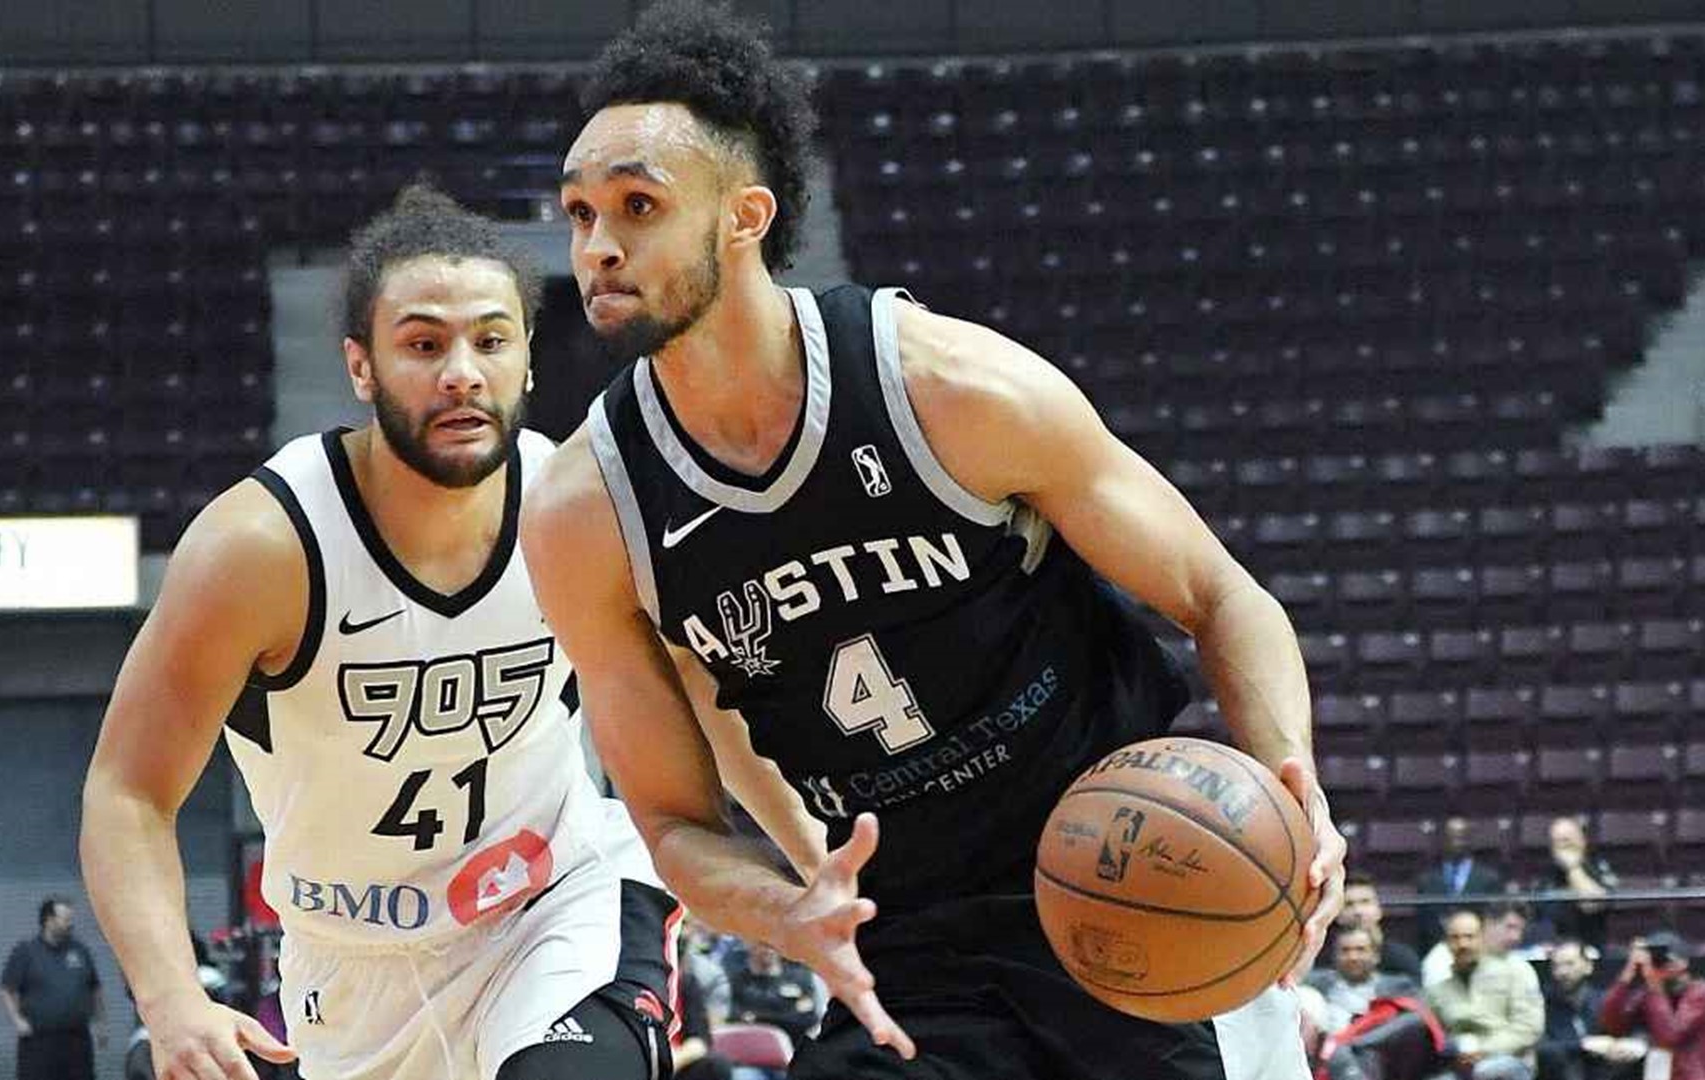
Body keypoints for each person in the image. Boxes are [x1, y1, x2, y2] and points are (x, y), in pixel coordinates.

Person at [519, 3, 1347, 1078]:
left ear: (745, 216)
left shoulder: (946, 388)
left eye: (638, 205)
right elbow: (676, 826)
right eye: (580, 213)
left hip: (1140, 885)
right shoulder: (589, 510)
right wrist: (790, 909)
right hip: (910, 937)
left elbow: (1223, 596)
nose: (599, 246)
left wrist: (1297, 785)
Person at [81, 186, 681, 1080]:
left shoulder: (578, 505)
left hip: (552, 910)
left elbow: (696, 697)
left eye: (490, 340)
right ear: (360, 368)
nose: (462, 373)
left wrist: (773, 860)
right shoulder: (261, 547)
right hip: (350, 969)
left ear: (527, 364)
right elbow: (128, 792)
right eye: (424, 345)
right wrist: (169, 999)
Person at [1424, 909, 1544, 1080]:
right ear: (1447, 944)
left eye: (1469, 937)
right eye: (1455, 938)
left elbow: (1529, 1028)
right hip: (1459, 1063)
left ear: (1482, 939)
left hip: (1507, 1059)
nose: (1463, 944)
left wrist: (1483, 1050)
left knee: (1489, 1071)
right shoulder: (1437, 991)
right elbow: (1435, 1037)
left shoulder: (1513, 973)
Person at [0, 896, 105, 1080]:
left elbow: (95, 990)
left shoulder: (80, 951)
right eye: (66, 919)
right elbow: (6, 990)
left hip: (77, 1041)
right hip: (39, 1042)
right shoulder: (26, 952)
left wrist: (100, 1025)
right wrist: (17, 1021)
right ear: (49, 921)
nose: (71, 924)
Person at [1596, 933, 1705, 1080]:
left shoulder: (1701, 991)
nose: (1657, 965)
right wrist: (1625, 978)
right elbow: (1612, 1025)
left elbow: (1670, 1036)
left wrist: (1653, 984)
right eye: (1653, 960)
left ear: (1683, 962)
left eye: (1664, 960)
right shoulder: (1649, 992)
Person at [1308, 926, 1422, 1034]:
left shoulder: (1400, 988)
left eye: (1360, 949)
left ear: (1376, 956)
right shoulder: (1315, 985)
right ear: (1334, 956)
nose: (1353, 957)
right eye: (1345, 950)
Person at [1416, 818, 1507, 952]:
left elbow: (1494, 921)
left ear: (1470, 839)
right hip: (1437, 952)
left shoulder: (1489, 879)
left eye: (1460, 837)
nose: (1456, 842)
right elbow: (1424, 927)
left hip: (1480, 952)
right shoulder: (1426, 881)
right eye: (1450, 837)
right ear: (1442, 840)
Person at [1536, 938, 1608, 1080]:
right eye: (1556, 966)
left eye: (1570, 964)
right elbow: (1541, 1048)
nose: (1562, 972)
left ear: (1588, 966)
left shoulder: (1605, 1001)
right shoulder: (1544, 1005)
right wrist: (1582, 1045)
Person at [1545, 817, 1617, 949]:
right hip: (1550, 948)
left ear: (1582, 841)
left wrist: (1573, 867)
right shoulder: (1546, 871)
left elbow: (1591, 904)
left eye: (1566, 840)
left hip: (1589, 947)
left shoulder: (1596, 867)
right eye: (1556, 842)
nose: (1561, 846)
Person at [1426, 903, 1532, 988]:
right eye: (1510, 927)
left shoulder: (1520, 966)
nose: (1516, 937)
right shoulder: (1443, 956)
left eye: (1520, 930)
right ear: (1488, 923)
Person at [1343, 871, 1425, 981]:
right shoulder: (1322, 958)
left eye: (1365, 902)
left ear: (1379, 909)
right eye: (1348, 904)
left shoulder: (1402, 958)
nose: (1358, 911)